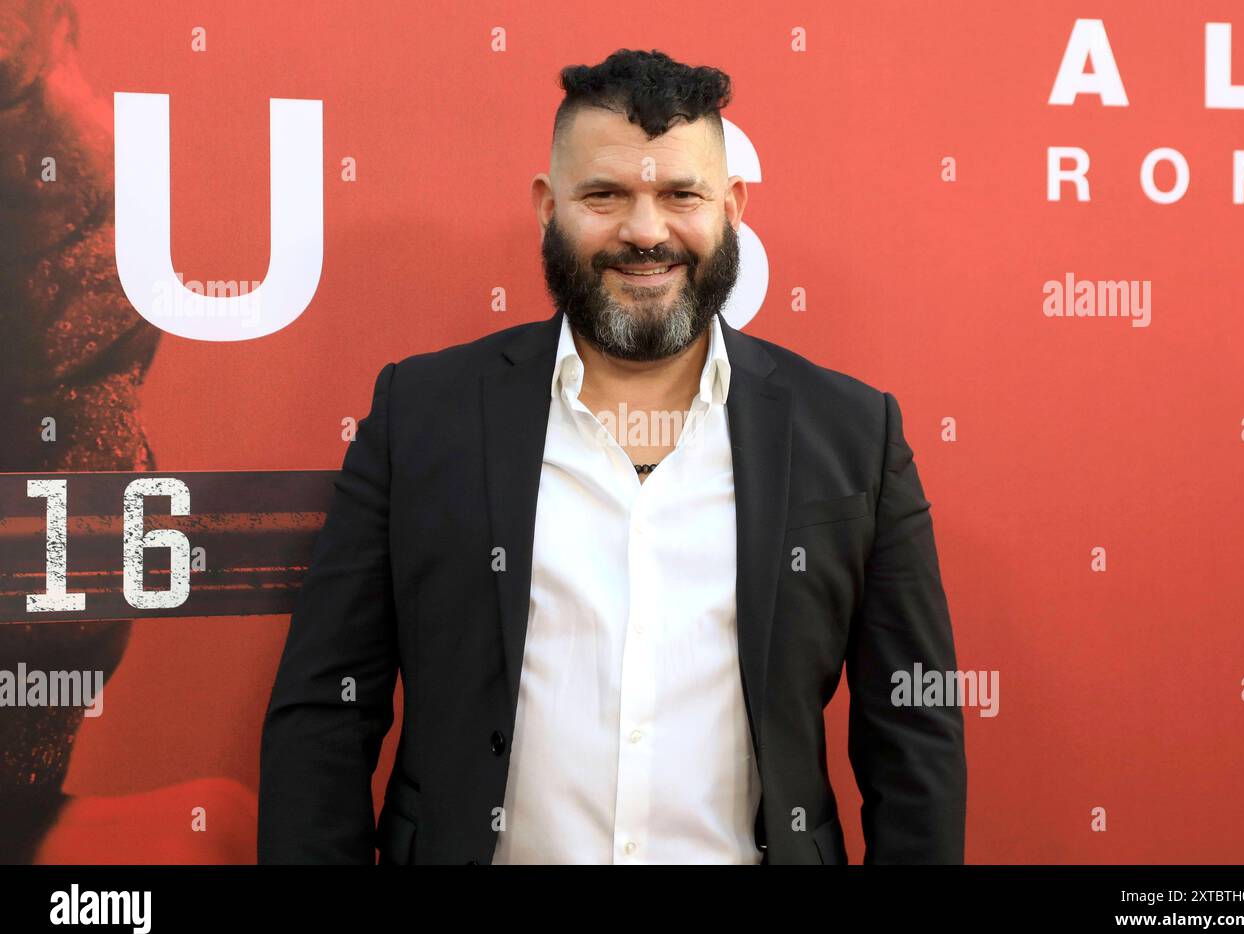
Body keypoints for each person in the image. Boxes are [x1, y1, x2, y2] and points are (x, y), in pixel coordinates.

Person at [257, 48, 966, 865]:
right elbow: (324, 713)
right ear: (547, 205)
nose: (644, 231)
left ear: (733, 207)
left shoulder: (852, 433)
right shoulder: (422, 415)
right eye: (605, 195)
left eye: (680, 195)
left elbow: (914, 733)